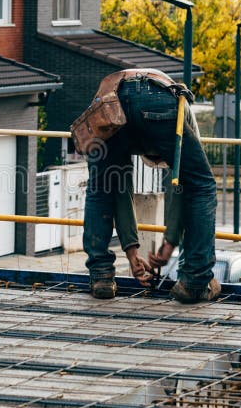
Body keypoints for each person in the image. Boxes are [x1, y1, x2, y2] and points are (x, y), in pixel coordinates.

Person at [81, 68, 220, 303]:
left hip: (111, 103)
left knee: (102, 187)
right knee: (201, 185)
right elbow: (184, 185)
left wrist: (140, 251)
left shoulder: (130, 136)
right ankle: (195, 281)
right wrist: (161, 244)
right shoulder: (182, 112)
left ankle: (101, 276)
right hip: (154, 98)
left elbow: (119, 191)